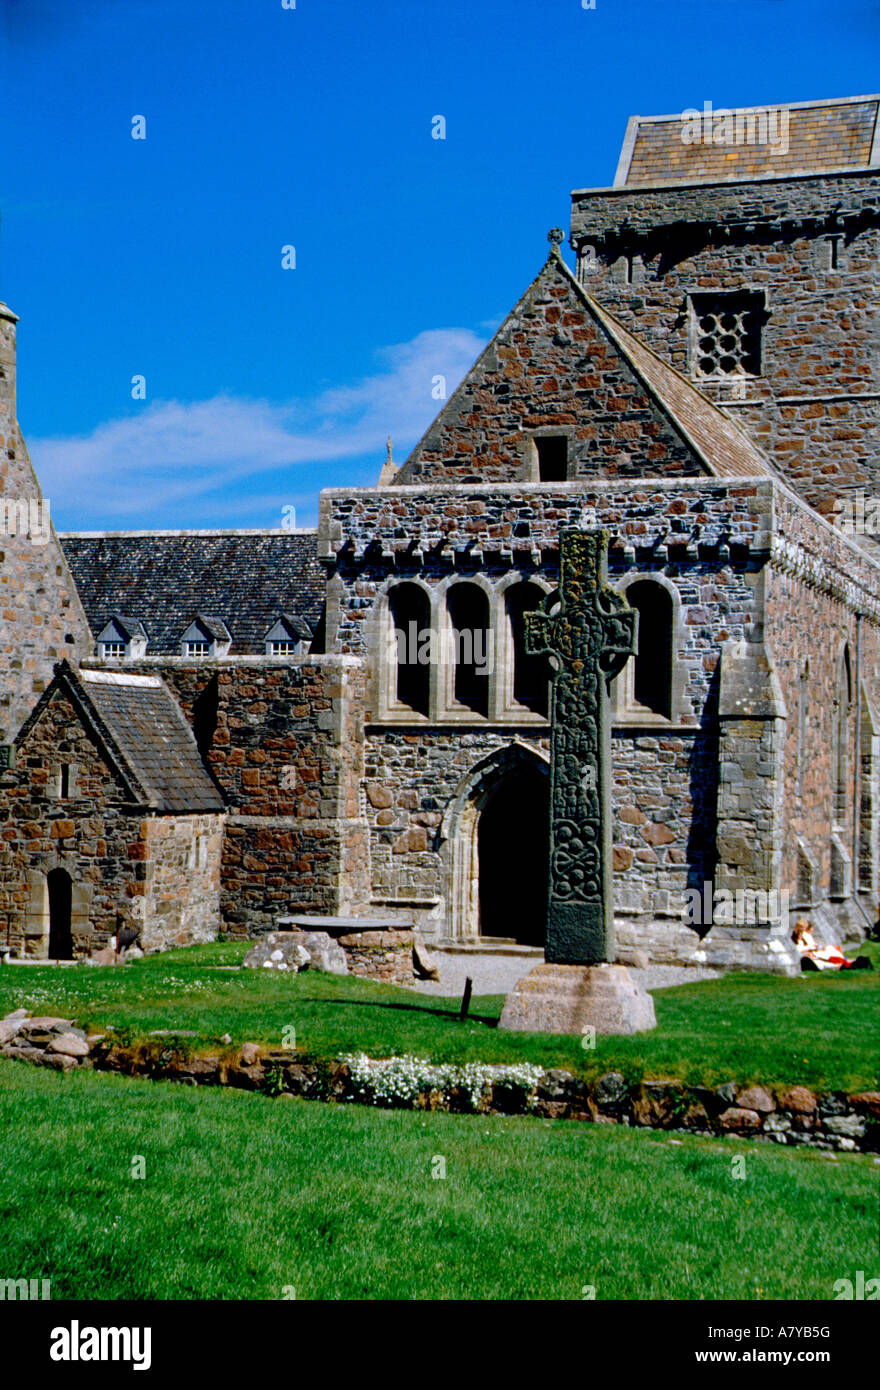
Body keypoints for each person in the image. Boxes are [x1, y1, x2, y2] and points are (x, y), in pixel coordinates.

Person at [791, 919, 872, 971]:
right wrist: (809, 950)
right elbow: (800, 950)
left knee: (829, 950)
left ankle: (846, 960)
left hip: (812, 951)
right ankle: (843, 963)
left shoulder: (805, 935)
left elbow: (810, 944)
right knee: (826, 956)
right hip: (808, 954)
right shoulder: (796, 938)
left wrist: (814, 947)